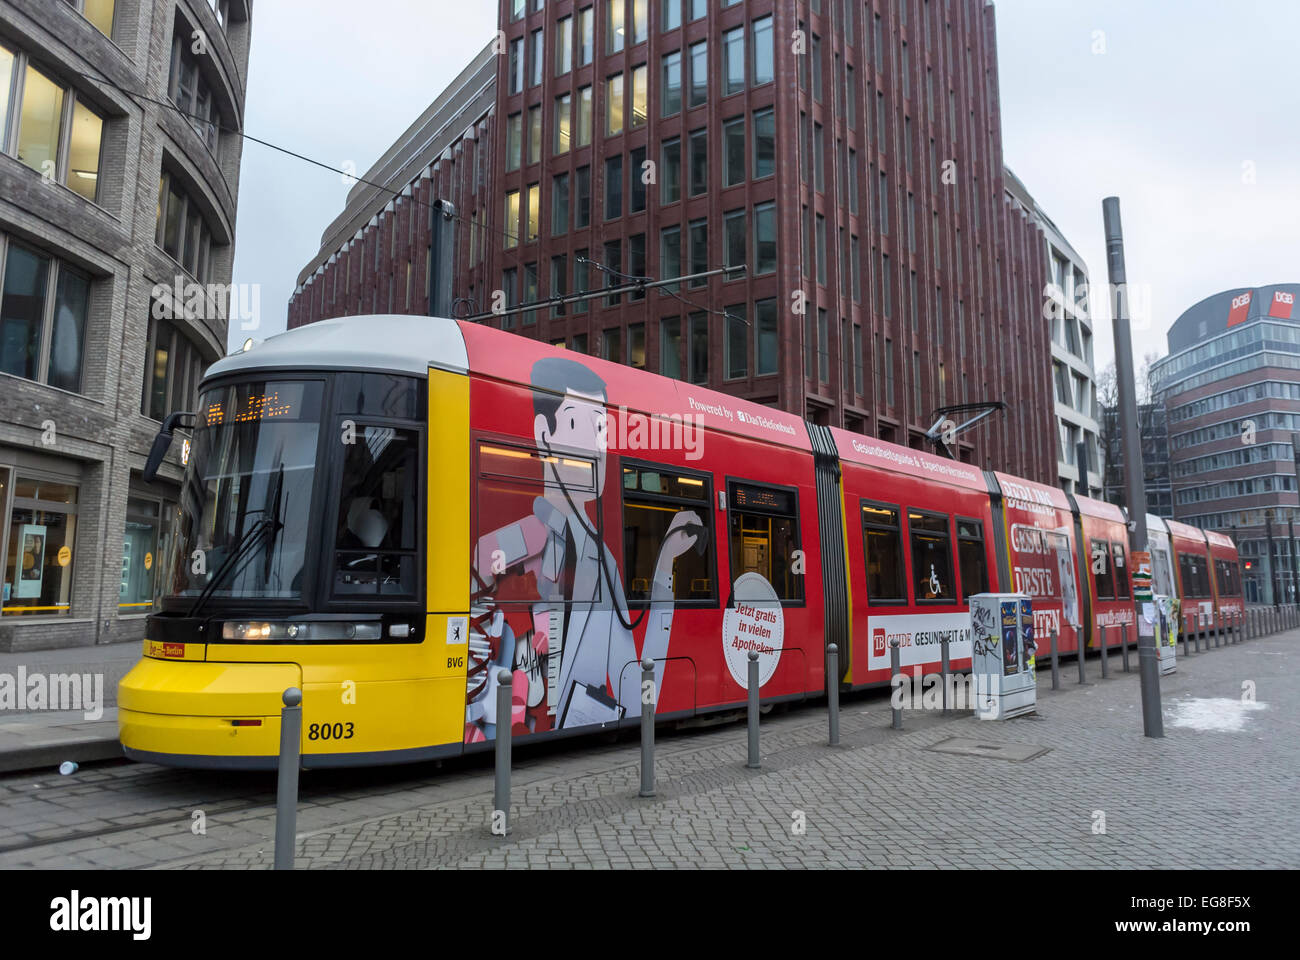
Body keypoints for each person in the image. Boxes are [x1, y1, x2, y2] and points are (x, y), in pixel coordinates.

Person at [467, 357, 700, 740]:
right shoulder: (501, 548)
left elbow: (636, 689)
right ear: (543, 435)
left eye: (601, 428)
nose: (597, 444)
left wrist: (663, 569)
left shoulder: (602, 561)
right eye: (578, 423)